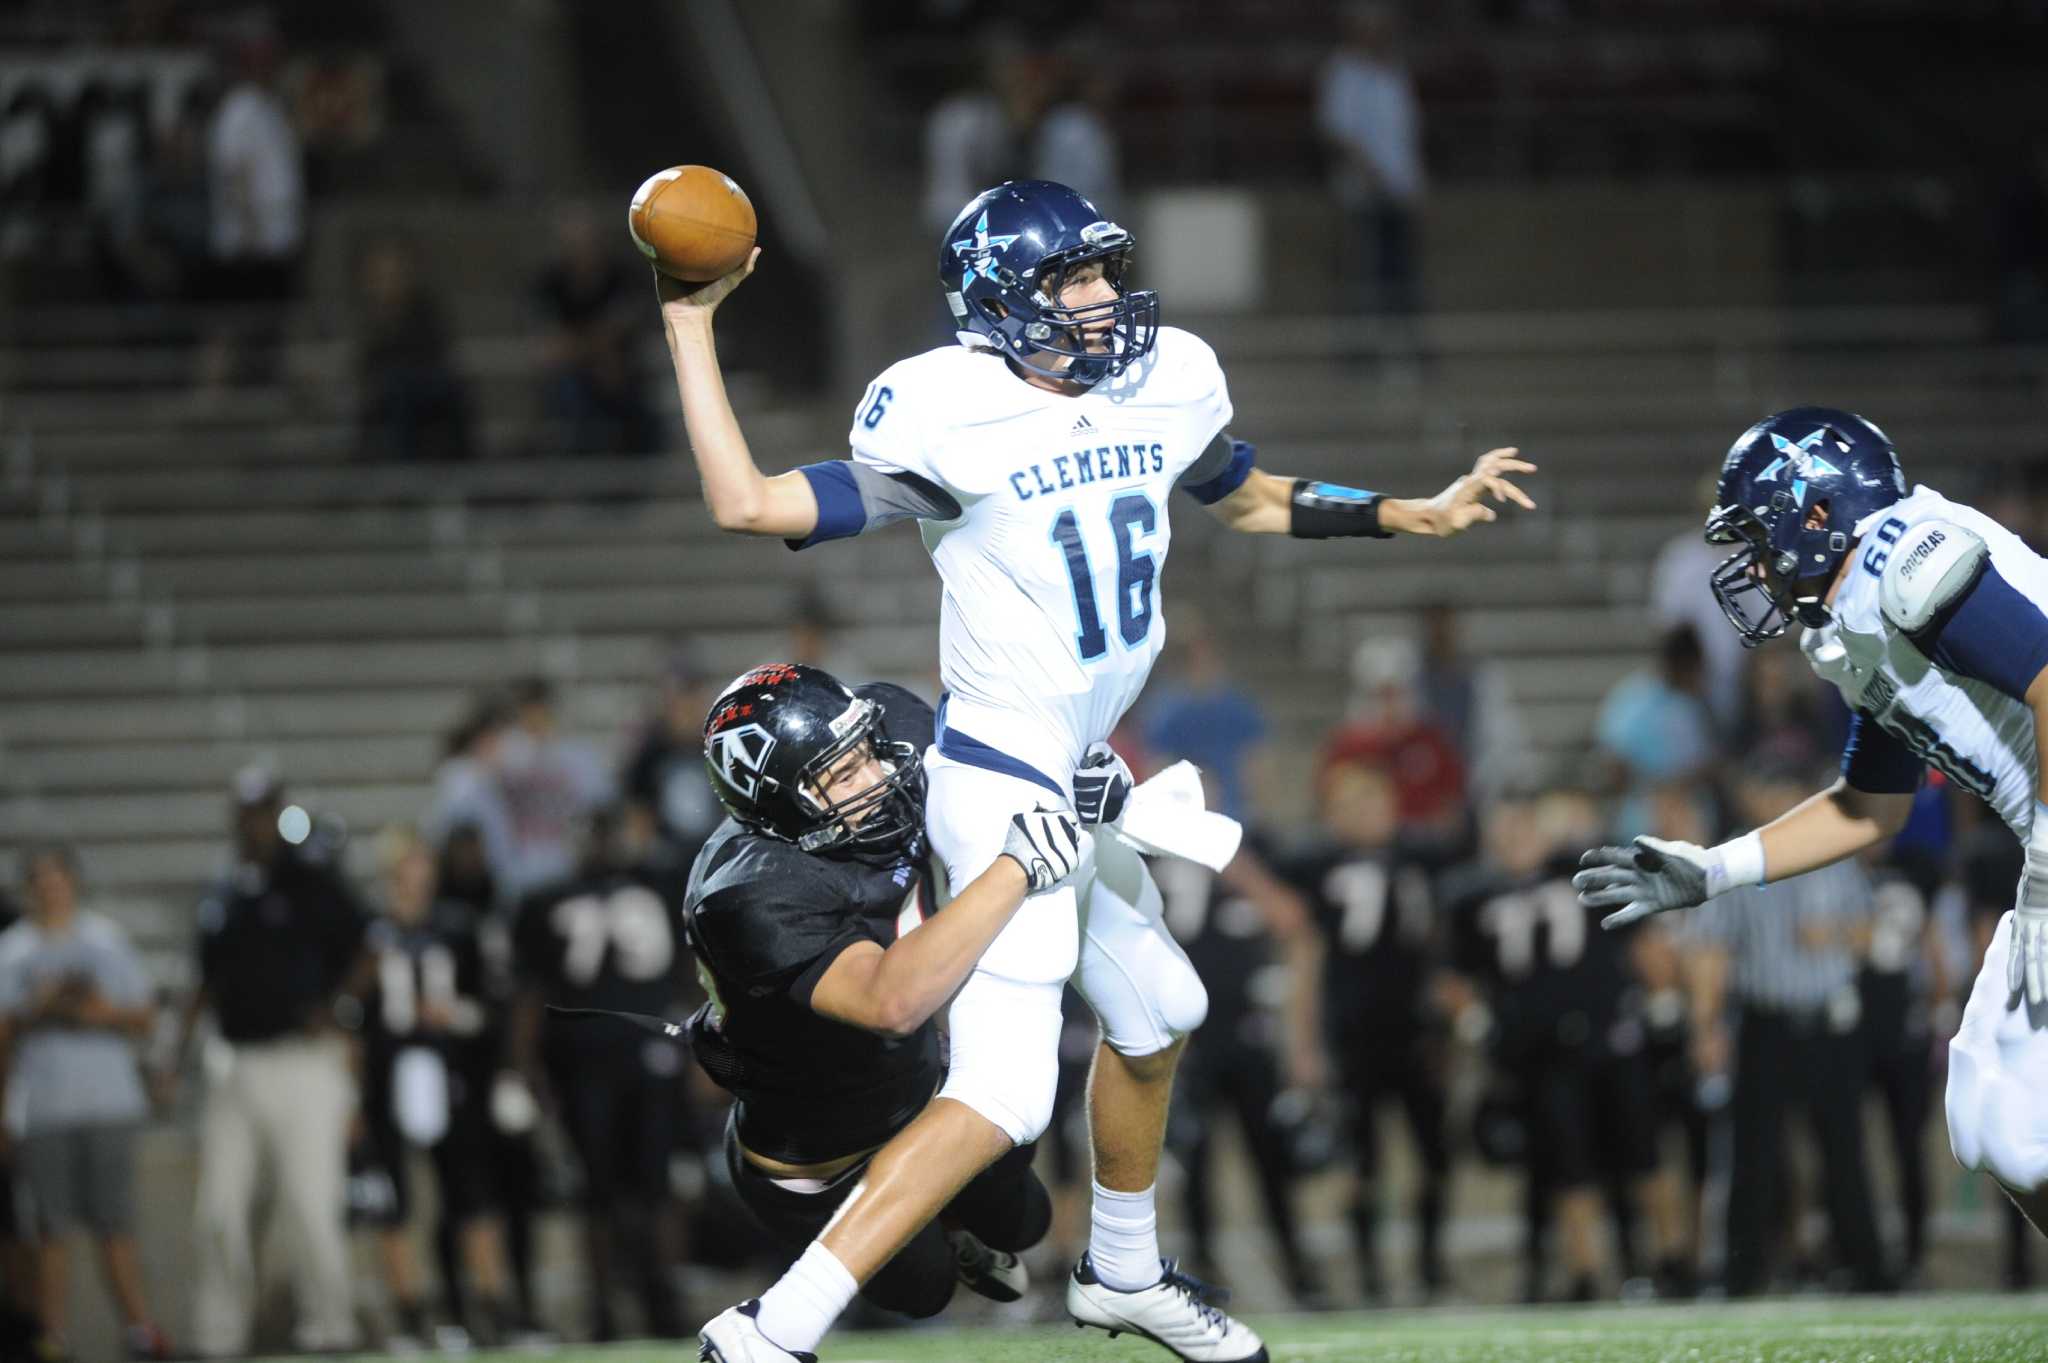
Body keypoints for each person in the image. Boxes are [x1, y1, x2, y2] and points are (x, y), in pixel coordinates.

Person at [659, 176, 1532, 1363]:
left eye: (1103, 271)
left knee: (1162, 1009)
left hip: (1078, 764)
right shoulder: (944, 410)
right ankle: (772, 1328)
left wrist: (1410, 515)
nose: (1102, 298)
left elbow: (1249, 498)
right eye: (1070, 280)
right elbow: (745, 502)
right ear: (999, 304)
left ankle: (1120, 1270)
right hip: (998, 769)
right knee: (1009, 1093)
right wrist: (690, 320)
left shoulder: (1164, 375)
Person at [1574, 406, 2048, 1246]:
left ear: (1816, 514)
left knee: (2010, 1116)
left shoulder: (1909, 559)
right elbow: (1870, 805)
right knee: (1995, 1117)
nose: (1752, 562)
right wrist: (1716, 868)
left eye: (1759, 533)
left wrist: (2044, 860)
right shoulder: (1856, 613)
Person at [676, 664, 1086, 1332]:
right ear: (781, 804)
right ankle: (935, 1234)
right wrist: (1018, 864)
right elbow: (890, 998)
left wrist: (1074, 776)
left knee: (1025, 1218)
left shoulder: (889, 729)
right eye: (841, 775)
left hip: (912, 1081)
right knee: (923, 1288)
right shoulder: (747, 896)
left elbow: (991, 764)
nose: (875, 775)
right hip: (816, 1156)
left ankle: (953, 1212)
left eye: (863, 749)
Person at [159, 767, 369, 1357]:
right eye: (245, 811)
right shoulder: (223, 890)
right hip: (236, 1061)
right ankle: (218, 1336)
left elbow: (368, 942)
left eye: (263, 810)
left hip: (304, 1062)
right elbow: (202, 981)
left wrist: (340, 1007)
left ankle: (331, 1329)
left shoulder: (313, 878)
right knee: (219, 1210)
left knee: (311, 1204)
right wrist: (172, 1056)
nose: (253, 822)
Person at [1441, 788, 1672, 1302]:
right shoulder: (1472, 896)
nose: (1514, 838)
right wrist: (1475, 1022)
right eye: (1503, 829)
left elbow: (1642, 938)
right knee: (1570, 1169)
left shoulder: (1581, 868)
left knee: (1643, 1156)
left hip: (1613, 1034)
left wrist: (1664, 999)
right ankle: (1587, 1271)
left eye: (1523, 825)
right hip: (1539, 1051)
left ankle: (1669, 1260)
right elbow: (1455, 978)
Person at [1672, 758, 1889, 1296]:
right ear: (1750, 795)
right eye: (1768, 789)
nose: (1777, 800)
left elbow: (1870, 934)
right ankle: (1741, 1276)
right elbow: (1710, 951)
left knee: (1843, 1152)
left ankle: (1867, 1271)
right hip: (1764, 1020)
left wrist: (1835, 933)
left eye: (1787, 788)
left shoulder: (1831, 852)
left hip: (1828, 1021)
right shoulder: (1736, 858)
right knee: (1752, 1155)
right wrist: (1705, 1026)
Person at [512, 801, 694, 1340]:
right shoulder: (546, 900)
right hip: (584, 1061)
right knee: (599, 1188)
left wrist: (703, 1044)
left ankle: (661, 1297)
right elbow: (531, 991)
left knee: (658, 1185)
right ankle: (606, 1306)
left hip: (647, 1055)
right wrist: (523, 1067)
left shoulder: (661, 885)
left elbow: (692, 974)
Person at [1282, 757, 1451, 1303]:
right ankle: (1372, 1275)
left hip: (1417, 1029)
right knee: (1361, 1161)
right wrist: (1304, 1041)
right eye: (1350, 806)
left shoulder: (1421, 859)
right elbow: (1306, 957)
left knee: (1435, 1152)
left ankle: (1429, 1266)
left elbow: (1444, 940)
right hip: (1352, 1031)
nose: (1364, 815)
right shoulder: (1318, 866)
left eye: (1373, 802)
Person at [0, 845, 172, 1361]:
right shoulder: (13, 949)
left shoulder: (104, 940)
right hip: (44, 1105)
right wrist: (40, 1008)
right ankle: (54, 1338)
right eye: (41, 880)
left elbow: (144, 1017)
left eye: (58, 878)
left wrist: (95, 1012)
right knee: (50, 1230)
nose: (51, 889)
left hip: (106, 1102)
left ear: (73, 882)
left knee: (114, 1225)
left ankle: (140, 1331)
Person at [356, 827, 513, 1347]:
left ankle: (492, 1311)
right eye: (405, 872)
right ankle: (409, 1316)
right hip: (390, 1072)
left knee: (470, 1192)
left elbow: (489, 1006)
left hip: (450, 1069)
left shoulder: (457, 927)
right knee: (394, 1199)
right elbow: (352, 1013)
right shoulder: (369, 934)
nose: (414, 882)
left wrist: (456, 1017)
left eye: (421, 869)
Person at [1315, 1, 1424, 319]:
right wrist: (1371, 173)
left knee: (1402, 270)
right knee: (1364, 271)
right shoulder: (1343, 71)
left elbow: (1406, 131)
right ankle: (1362, 351)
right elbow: (1337, 130)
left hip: (1400, 187)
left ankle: (1404, 343)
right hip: (1365, 189)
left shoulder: (1395, 71)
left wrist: (1414, 180)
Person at [497, 676, 614, 901]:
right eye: (530, 710)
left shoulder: (574, 755)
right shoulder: (504, 754)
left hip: (564, 867)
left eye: (539, 710)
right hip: (517, 871)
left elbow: (600, 802)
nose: (535, 718)